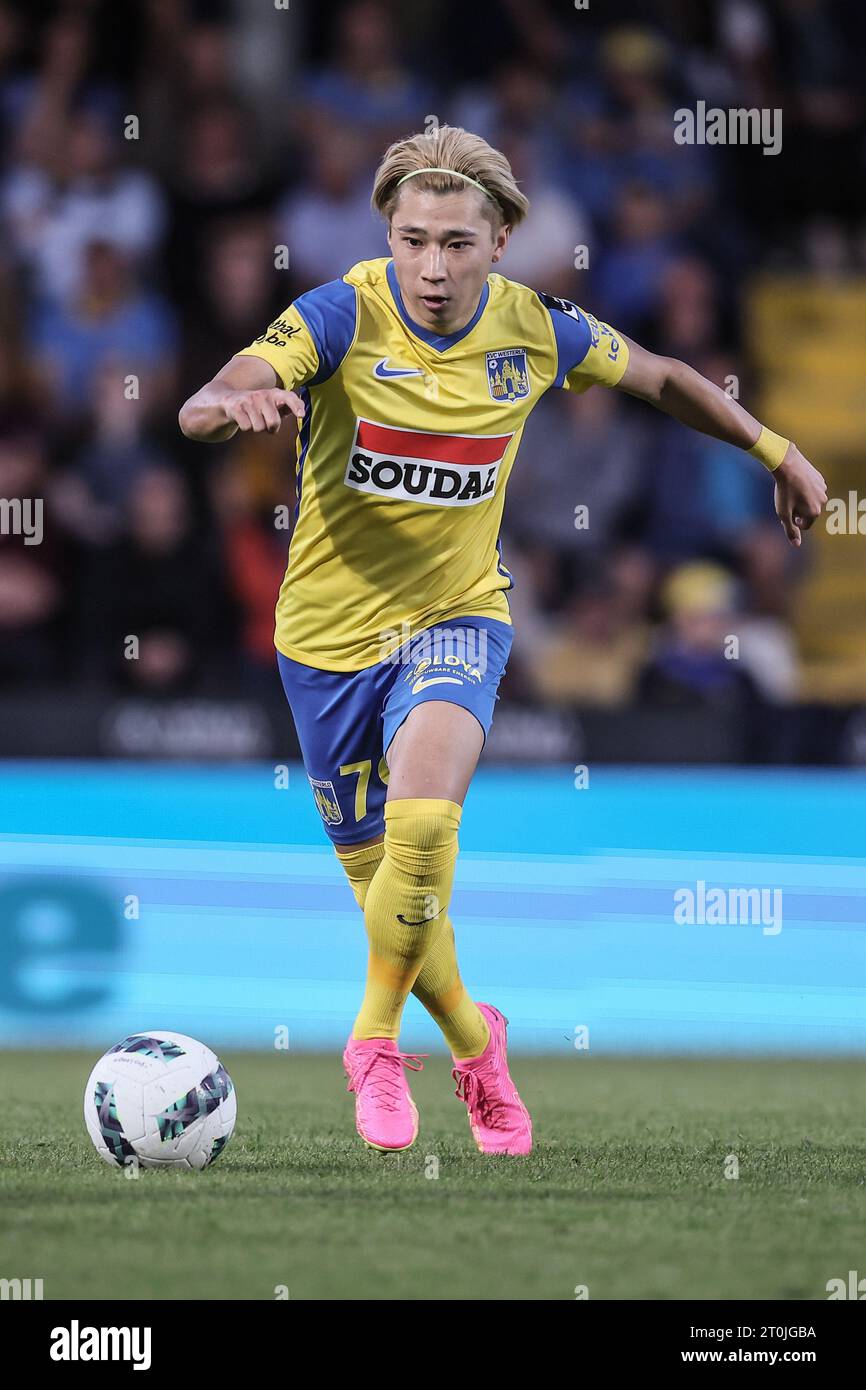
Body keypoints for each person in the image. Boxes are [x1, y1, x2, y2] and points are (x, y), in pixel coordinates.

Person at [179, 125, 827, 1156]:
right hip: (324, 644)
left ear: (504, 237)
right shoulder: (340, 312)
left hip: (457, 618)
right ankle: (479, 1045)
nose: (431, 267)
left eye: (456, 242)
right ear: (386, 236)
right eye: (411, 239)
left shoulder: (534, 329)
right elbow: (197, 403)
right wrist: (237, 403)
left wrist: (775, 449)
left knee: (424, 827)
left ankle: (371, 1044)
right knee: (397, 904)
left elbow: (658, 376)